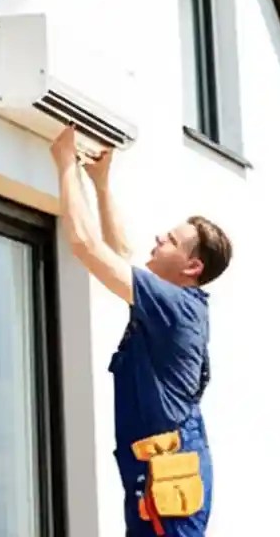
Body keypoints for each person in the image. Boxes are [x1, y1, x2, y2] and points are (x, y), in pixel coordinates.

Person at [49, 125, 232, 537]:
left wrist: (64, 163)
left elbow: (85, 246)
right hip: (158, 473)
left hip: (166, 482)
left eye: (169, 241)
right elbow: (121, 255)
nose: (158, 239)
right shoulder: (170, 301)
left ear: (192, 267)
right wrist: (100, 184)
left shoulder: (174, 306)